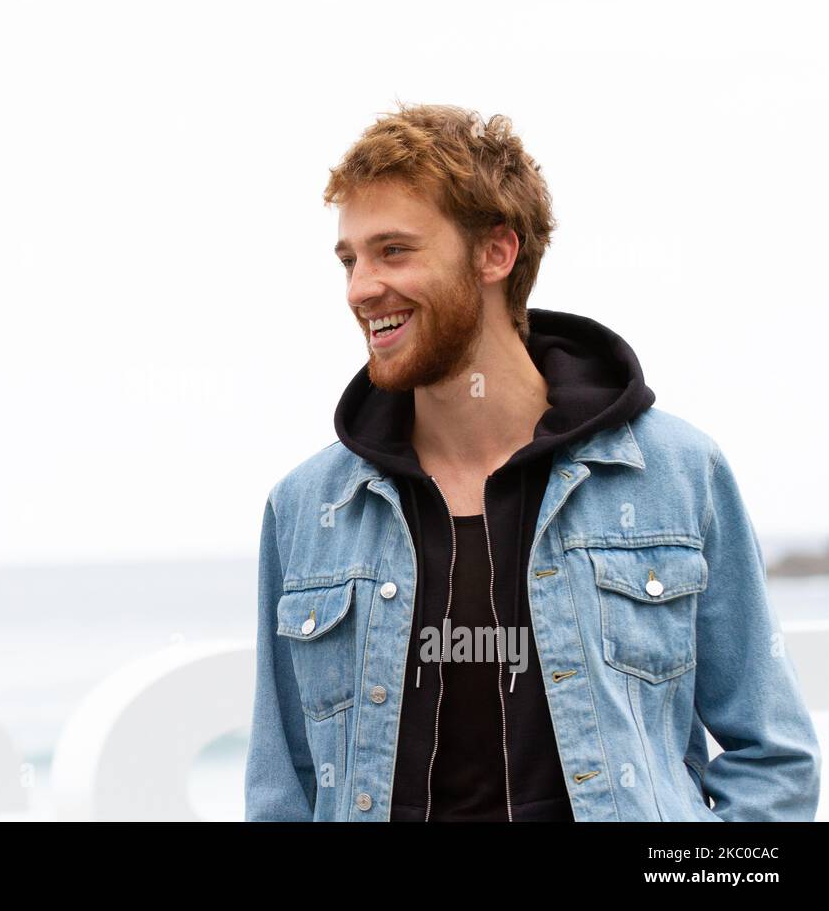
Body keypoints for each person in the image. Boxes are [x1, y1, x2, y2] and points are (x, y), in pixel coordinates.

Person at [243, 103, 821, 821]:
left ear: (495, 253)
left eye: (393, 250)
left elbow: (773, 758)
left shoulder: (676, 471)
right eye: (349, 260)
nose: (361, 288)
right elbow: (282, 790)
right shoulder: (307, 507)